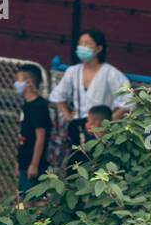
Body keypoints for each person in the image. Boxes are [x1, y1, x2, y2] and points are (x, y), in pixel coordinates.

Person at [49, 29, 133, 154]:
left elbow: (129, 100)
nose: (83, 47)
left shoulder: (110, 73)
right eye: (80, 43)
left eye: (87, 44)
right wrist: (66, 114)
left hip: (100, 129)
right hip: (78, 127)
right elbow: (57, 95)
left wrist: (108, 123)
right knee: (76, 164)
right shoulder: (73, 71)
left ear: (99, 48)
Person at [15, 64, 50, 195]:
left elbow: (40, 136)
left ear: (28, 82)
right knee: (22, 197)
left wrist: (34, 164)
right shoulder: (26, 104)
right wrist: (19, 162)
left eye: (18, 80)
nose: (16, 84)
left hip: (34, 162)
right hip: (24, 160)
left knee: (34, 199)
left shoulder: (39, 106)